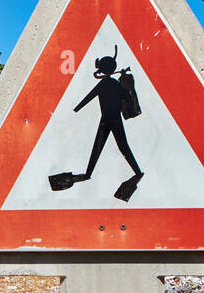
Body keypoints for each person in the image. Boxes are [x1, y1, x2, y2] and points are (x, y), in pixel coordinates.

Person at [49, 46, 144, 201]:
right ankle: (135, 172)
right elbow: (127, 96)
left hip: (107, 120)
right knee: (119, 147)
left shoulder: (106, 84)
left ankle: (90, 174)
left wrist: (74, 110)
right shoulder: (114, 83)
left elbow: (89, 97)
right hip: (111, 119)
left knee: (102, 148)